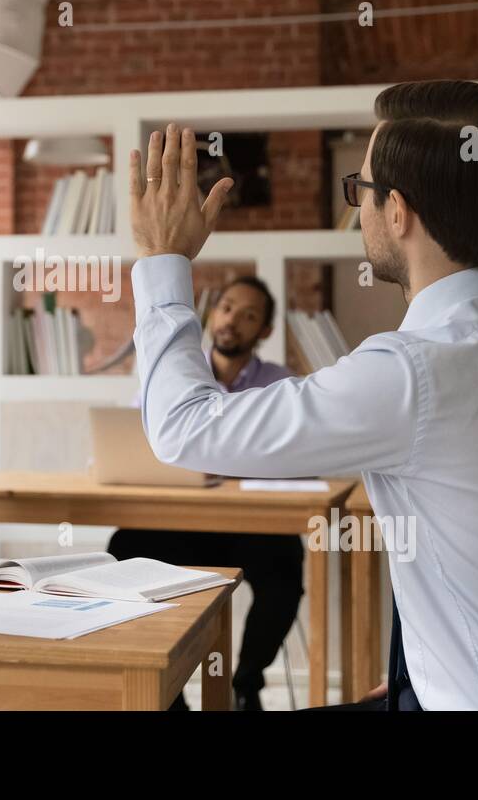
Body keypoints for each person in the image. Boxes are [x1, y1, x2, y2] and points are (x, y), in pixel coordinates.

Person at [127, 81, 478, 709]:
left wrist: (162, 259)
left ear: (397, 212)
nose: (361, 208)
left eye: (361, 189)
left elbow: (184, 428)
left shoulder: (414, 370)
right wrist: (425, 666)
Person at [108, 276, 302, 711]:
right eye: (228, 307)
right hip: (180, 524)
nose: (232, 320)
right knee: (125, 546)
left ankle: (245, 686)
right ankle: (168, 695)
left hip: (253, 527)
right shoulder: (171, 381)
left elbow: (299, 455)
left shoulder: (281, 385)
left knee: (284, 566)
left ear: (265, 330)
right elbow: (125, 441)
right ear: (214, 313)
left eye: (249, 315)